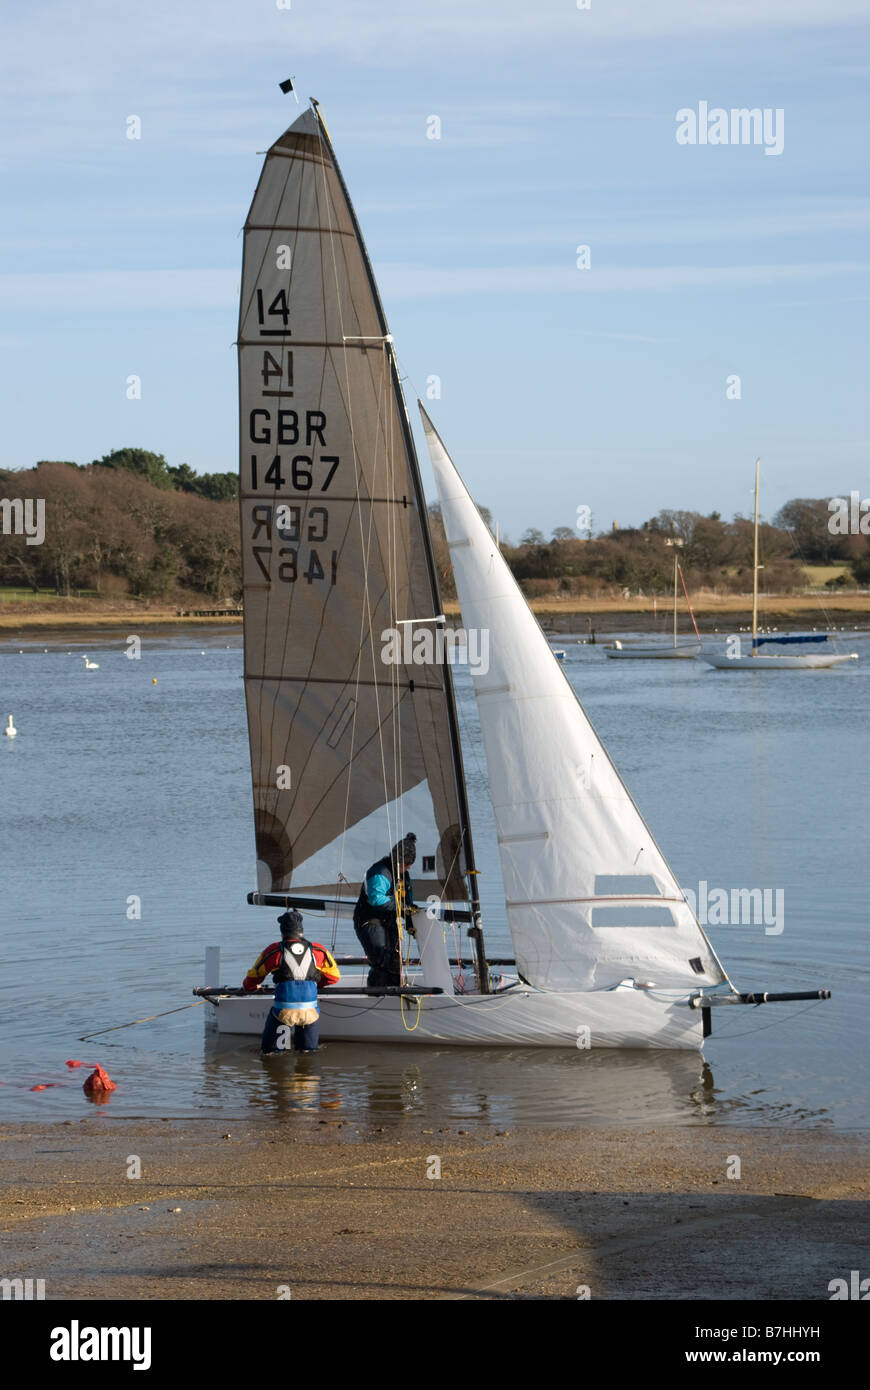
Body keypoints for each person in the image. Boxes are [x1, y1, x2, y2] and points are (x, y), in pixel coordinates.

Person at [242, 909, 340, 1054]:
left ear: (282, 932)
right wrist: (314, 984)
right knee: (308, 1056)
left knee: (271, 1055)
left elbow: (253, 977)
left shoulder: (274, 950)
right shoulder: (319, 950)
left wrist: (250, 987)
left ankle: (277, 1057)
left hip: (284, 1012)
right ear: (301, 931)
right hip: (310, 1012)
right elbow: (334, 977)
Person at [353, 832, 420, 989]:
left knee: (395, 963)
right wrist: (400, 907)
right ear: (399, 860)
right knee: (382, 961)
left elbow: (407, 900)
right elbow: (377, 900)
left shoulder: (403, 874)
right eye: (407, 863)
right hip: (370, 921)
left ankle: (393, 996)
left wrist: (410, 920)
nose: (409, 867)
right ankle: (375, 997)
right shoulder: (379, 872)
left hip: (388, 922)